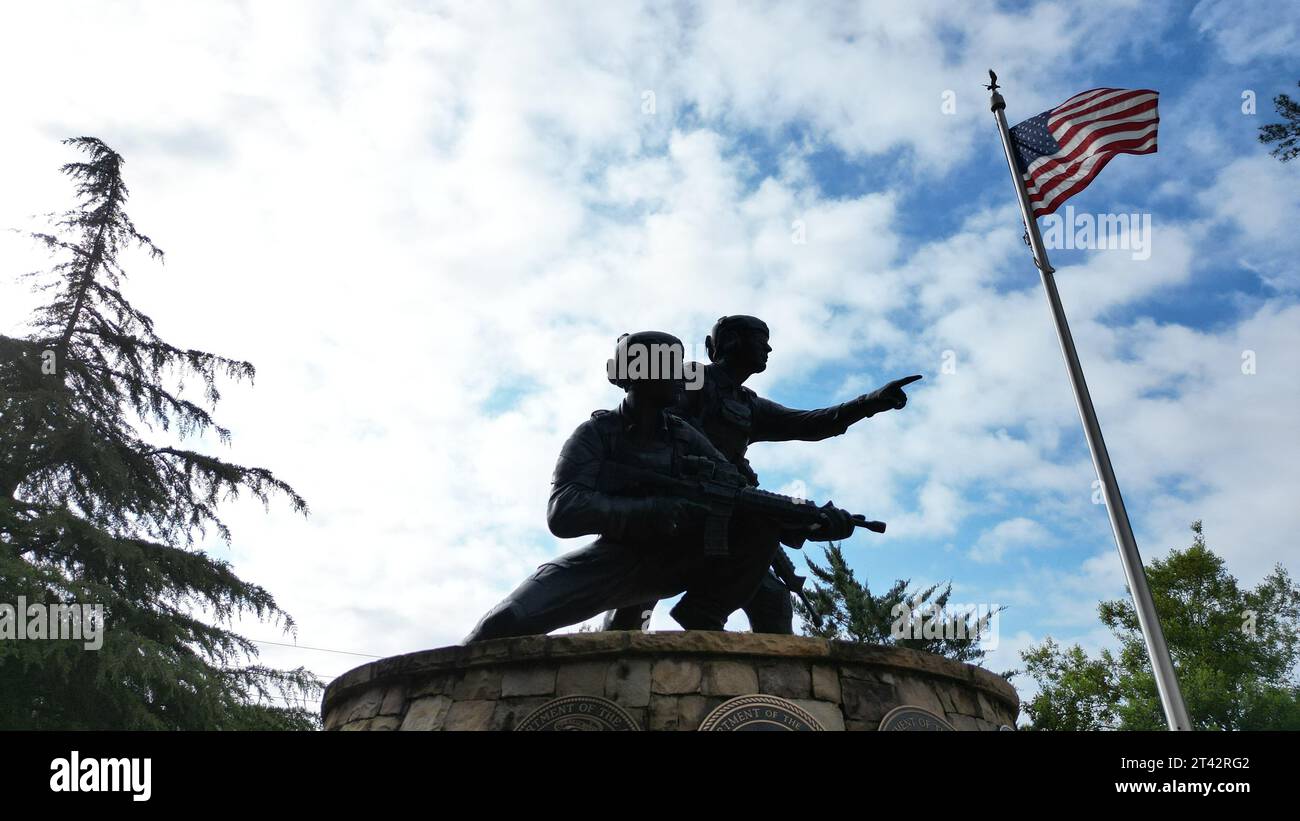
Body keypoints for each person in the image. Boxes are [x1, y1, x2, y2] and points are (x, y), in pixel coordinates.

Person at [462, 330, 856, 642]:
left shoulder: (685, 436)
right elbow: (563, 512)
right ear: (640, 373)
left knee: (762, 537)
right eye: (671, 366)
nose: (683, 374)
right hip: (618, 560)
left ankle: (706, 613)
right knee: (503, 622)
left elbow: (739, 497)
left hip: (683, 559)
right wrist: (651, 510)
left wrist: (811, 522)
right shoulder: (596, 434)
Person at [604, 315, 921, 633]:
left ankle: (768, 676)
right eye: (760, 338)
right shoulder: (689, 379)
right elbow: (657, 425)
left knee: (772, 600)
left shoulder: (747, 404)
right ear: (731, 341)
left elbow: (808, 423)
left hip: (726, 514)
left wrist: (869, 402)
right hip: (669, 509)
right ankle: (605, 669)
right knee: (638, 597)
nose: (768, 347)